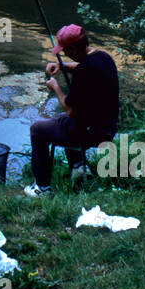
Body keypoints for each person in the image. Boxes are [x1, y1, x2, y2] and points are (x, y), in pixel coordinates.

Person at [24, 24, 118, 197]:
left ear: (74, 48)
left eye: (65, 50)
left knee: (37, 130)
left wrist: (55, 87)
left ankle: (42, 187)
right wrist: (62, 66)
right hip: (109, 127)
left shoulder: (83, 73)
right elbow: (84, 67)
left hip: (92, 133)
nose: (63, 54)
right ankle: (78, 167)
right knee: (61, 121)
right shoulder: (104, 58)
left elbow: (71, 110)